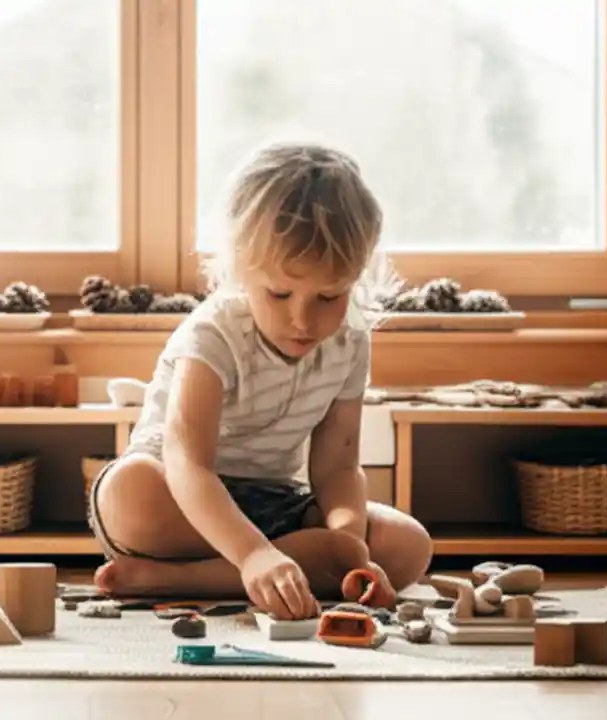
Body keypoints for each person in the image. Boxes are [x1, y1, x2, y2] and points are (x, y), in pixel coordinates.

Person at [87, 143, 433, 619]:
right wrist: (253, 553)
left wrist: (348, 544)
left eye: (329, 297)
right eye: (280, 293)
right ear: (241, 269)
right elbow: (188, 465)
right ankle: (265, 564)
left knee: (409, 546)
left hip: (274, 506)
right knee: (129, 493)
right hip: (181, 497)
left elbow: (336, 467)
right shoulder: (214, 335)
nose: (302, 321)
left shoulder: (350, 340)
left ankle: (184, 579)